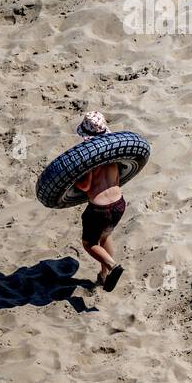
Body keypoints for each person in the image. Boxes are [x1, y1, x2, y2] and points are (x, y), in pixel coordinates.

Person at [72, 112, 126, 292]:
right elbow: (119, 178)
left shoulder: (90, 161)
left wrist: (75, 181)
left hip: (99, 209)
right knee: (105, 236)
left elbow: (86, 186)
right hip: (119, 203)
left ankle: (112, 266)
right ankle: (104, 275)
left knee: (89, 243)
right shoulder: (113, 157)